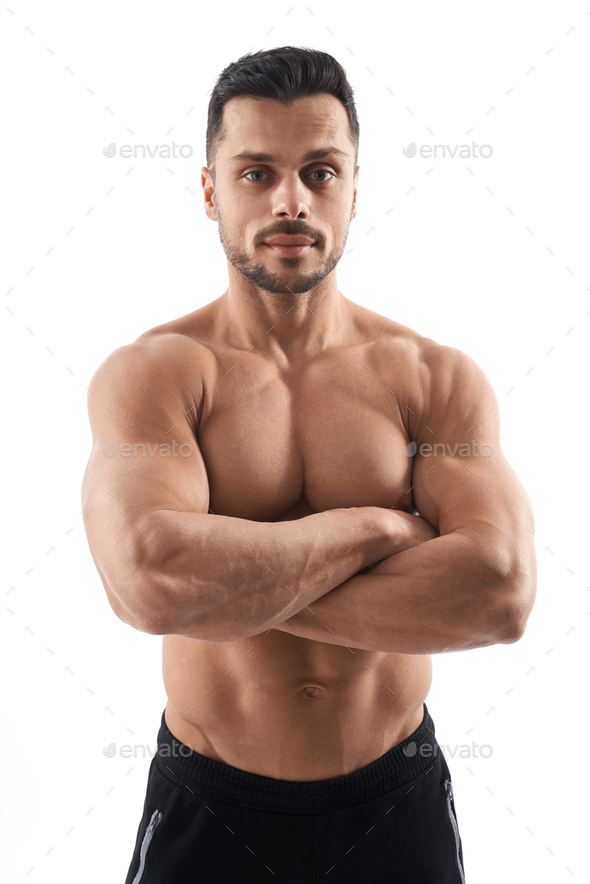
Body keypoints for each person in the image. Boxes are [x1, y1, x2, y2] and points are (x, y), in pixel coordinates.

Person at [81, 45, 537, 883]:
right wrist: (376, 527)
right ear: (211, 188)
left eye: (320, 172)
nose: (291, 199)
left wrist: (227, 585)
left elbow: (499, 594)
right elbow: (150, 580)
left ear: (356, 188)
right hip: (207, 803)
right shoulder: (156, 374)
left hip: (395, 802)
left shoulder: (432, 379)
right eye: (257, 172)